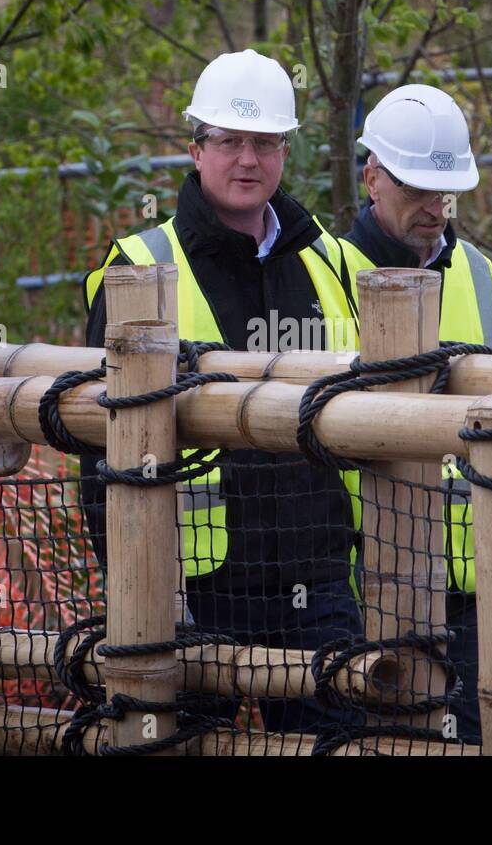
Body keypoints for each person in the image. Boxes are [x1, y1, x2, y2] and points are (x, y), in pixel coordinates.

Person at [82, 48, 362, 734]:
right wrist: (133, 587)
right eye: (230, 141)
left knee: (336, 744)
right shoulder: (140, 267)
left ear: (285, 151)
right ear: (196, 149)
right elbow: (98, 449)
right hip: (190, 589)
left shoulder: (329, 260)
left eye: (264, 142)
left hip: (317, 575)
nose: (247, 159)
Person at [338, 83, 492, 744]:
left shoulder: (482, 275)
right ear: (372, 176)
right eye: (417, 189)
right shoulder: (328, 270)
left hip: (473, 576)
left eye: (445, 191)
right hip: (363, 575)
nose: (435, 208)